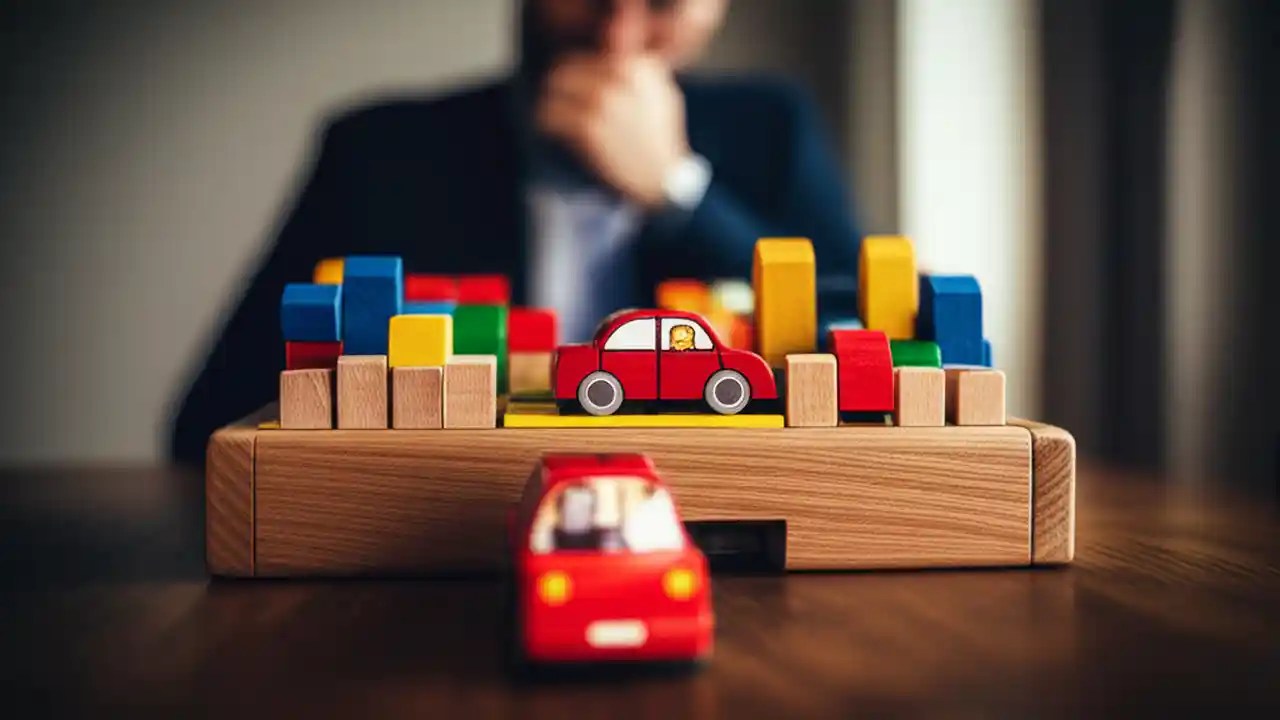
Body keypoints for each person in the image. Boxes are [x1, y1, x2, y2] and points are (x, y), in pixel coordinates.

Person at [169, 0, 862, 464]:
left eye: (662, 2)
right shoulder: (376, 151)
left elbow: (853, 346)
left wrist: (680, 191)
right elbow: (210, 425)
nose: (616, 37)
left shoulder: (774, 127)